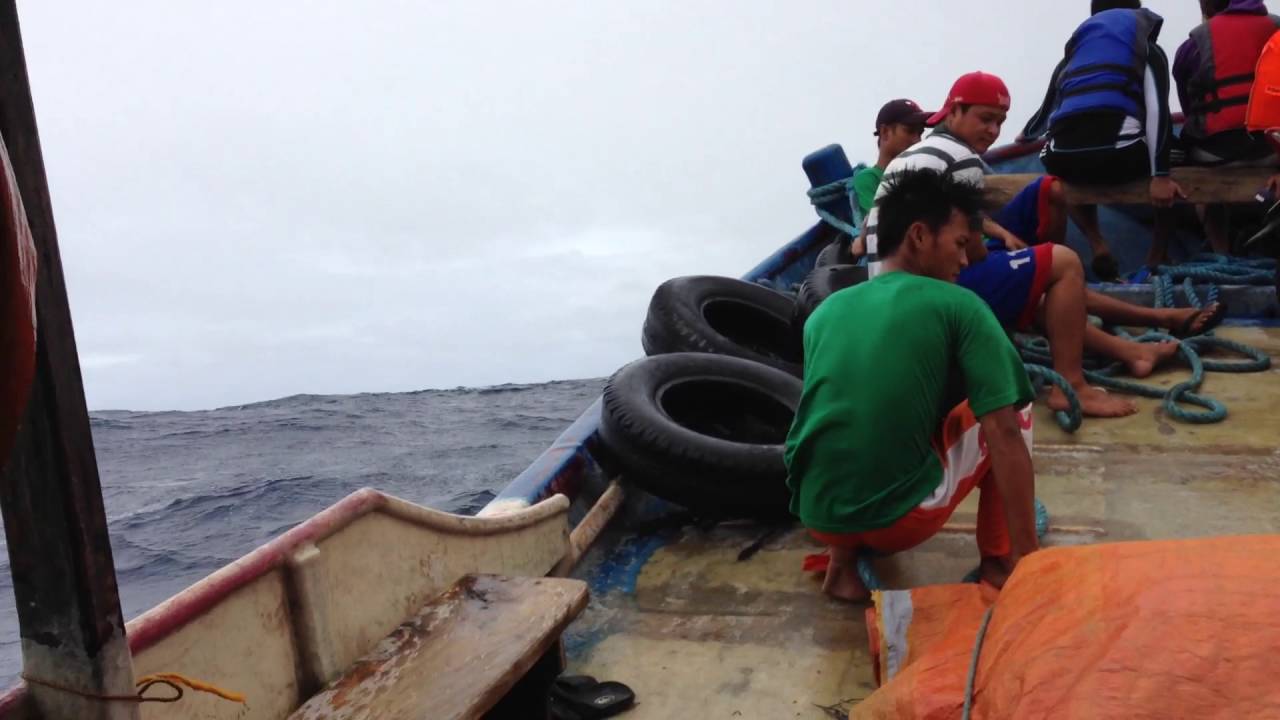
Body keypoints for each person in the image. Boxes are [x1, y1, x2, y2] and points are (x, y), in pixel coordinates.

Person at [860, 71, 1224, 417]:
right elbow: (970, 251)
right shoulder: (962, 159)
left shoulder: (930, 152)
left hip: (911, 279)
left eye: (999, 122)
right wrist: (1030, 263)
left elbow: (962, 230)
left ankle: (1129, 344)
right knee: (1062, 263)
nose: (992, 130)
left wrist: (1016, 255)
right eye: (984, 118)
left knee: (1047, 192)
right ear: (954, 111)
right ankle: (1071, 386)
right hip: (927, 290)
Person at [786, 168, 1039, 602]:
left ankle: (841, 567)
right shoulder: (960, 305)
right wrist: (1038, 562)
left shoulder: (828, 310)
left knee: (850, 419)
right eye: (960, 244)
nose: (965, 261)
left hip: (815, 509)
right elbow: (1003, 432)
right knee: (1016, 415)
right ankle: (1006, 562)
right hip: (896, 522)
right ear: (919, 236)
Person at [1021, 0, 1184, 277]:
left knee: (1061, 172)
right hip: (1121, 155)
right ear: (1137, 13)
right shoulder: (1148, 50)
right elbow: (1158, 112)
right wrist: (1161, 176)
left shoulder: (1071, 58)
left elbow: (1043, 115)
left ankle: (1098, 244)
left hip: (1064, 160)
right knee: (1176, 156)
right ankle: (1157, 255)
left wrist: (1025, 135)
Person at [1174, 0, 1280, 254]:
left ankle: (1221, 254)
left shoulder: (1193, 44)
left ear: (1208, 9)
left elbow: (1189, 108)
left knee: (1187, 161)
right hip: (1271, 150)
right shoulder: (1276, 28)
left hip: (1216, 154)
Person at [852, 99, 931, 218]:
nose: (917, 140)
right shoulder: (868, 179)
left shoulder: (923, 180)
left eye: (920, 133)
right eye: (909, 131)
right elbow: (882, 224)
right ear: (885, 132)